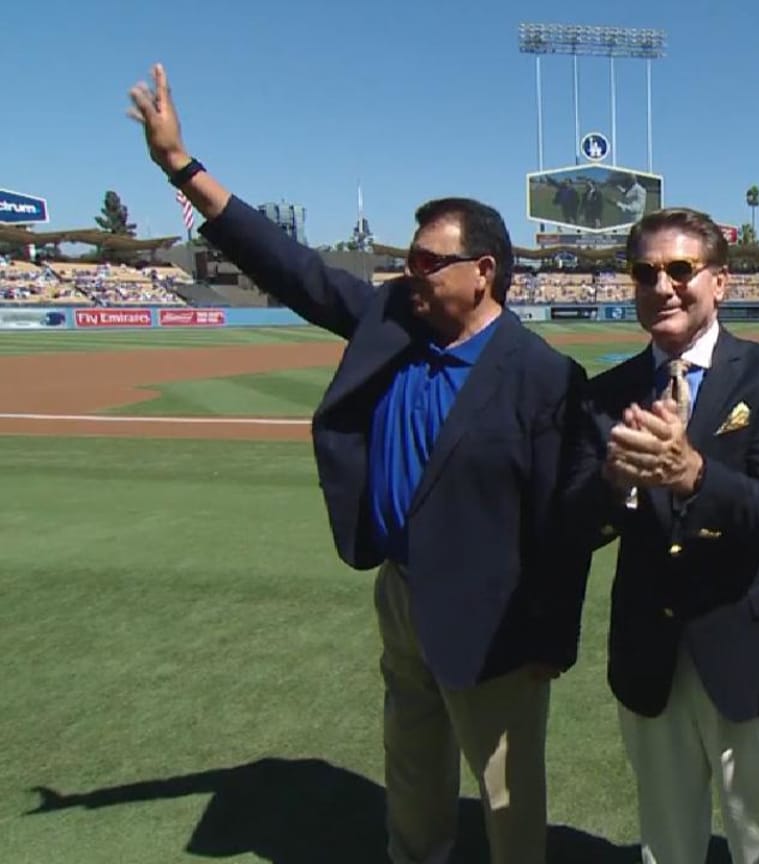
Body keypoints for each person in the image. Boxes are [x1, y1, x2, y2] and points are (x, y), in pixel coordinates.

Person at [127, 64, 592, 864]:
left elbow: (563, 521)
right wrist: (180, 164)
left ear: (483, 272)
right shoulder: (392, 320)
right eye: (410, 258)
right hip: (402, 590)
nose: (409, 272)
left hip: (493, 610)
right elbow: (287, 265)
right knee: (412, 761)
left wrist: (553, 636)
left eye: (427, 261)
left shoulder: (542, 374)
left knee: (508, 787)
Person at [570, 208, 759, 864]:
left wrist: (692, 474)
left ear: (720, 282)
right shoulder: (604, 395)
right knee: (665, 835)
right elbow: (573, 524)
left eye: (681, 270)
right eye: (645, 272)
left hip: (750, 639)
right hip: (649, 644)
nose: (663, 287)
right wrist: (614, 483)